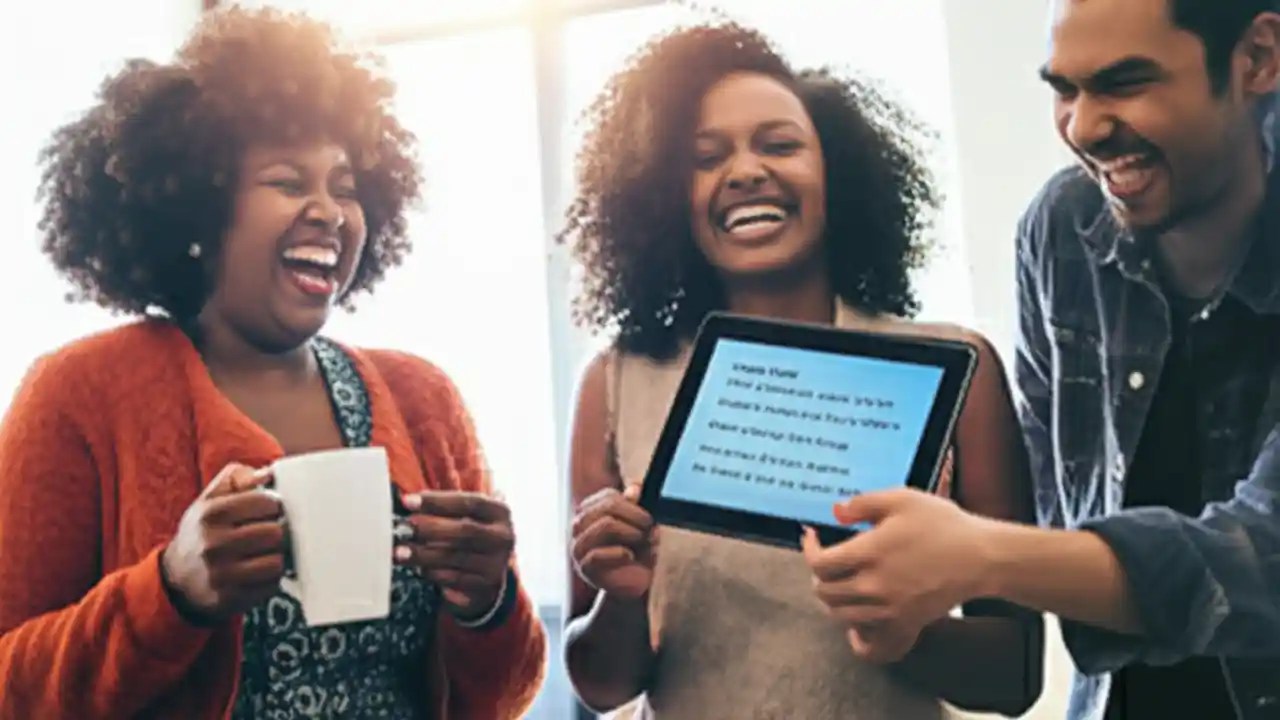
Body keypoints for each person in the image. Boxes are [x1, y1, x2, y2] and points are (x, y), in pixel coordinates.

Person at [0, 7, 546, 719]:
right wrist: (169, 593)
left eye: (346, 187)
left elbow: (502, 696)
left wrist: (490, 601)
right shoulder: (81, 392)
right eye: (289, 182)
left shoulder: (423, 397)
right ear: (201, 208)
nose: (329, 211)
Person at [799, 1, 1280, 718]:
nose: (1083, 129)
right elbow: (1054, 496)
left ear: (1258, 59)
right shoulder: (1063, 229)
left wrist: (981, 554)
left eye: (1127, 82)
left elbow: (1262, 560)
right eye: (1065, 89)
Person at [559, 22, 1044, 719]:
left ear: (837, 172)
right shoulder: (618, 382)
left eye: (780, 144)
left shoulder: (956, 369)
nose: (747, 171)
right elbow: (602, 685)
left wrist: (900, 628)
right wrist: (624, 594)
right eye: (704, 157)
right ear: (665, 195)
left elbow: (1015, 678)